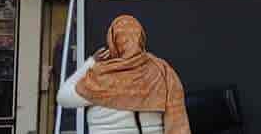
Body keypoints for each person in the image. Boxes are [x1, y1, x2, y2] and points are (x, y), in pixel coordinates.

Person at [59, 15, 192, 134]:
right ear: (141, 38)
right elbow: (176, 116)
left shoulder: (101, 76)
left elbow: (63, 97)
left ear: (112, 40)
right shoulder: (160, 71)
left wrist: (91, 62)